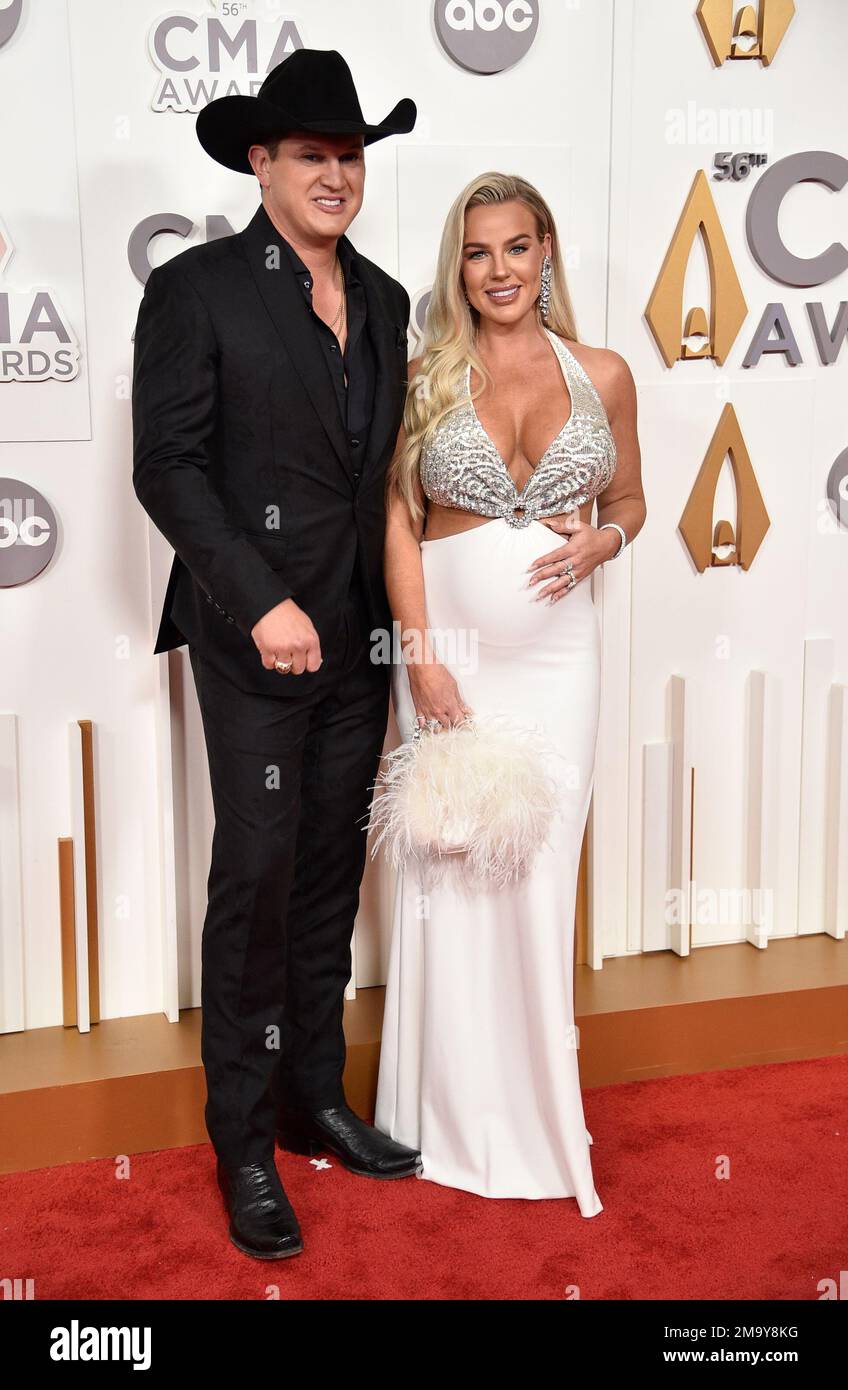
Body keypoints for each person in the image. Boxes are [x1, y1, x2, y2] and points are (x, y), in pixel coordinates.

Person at [131, 49, 422, 1262]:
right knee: (252, 886)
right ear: (260, 163)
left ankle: (314, 1100)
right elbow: (169, 467)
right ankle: (242, 1146)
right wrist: (256, 601)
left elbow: (382, 478)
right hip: (252, 646)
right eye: (311, 154)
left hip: (356, 643)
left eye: (350, 154)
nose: (334, 175)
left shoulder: (393, 298)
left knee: (321, 883)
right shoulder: (196, 288)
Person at [374, 172, 645, 1212]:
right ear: (459, 265)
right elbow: (398, 520)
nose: (498, 271)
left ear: (546, 252)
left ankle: (538, 1126)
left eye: (516, 248)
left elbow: (624, 499)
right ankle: (439, 1122)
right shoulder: (422, 373)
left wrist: (600, 543)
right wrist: (420, 654)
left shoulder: (605, 374)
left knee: (535, 882)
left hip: (558, 661)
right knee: (448, 880)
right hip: (455, 660)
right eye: (478, 253)